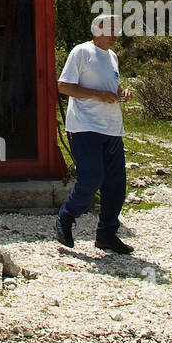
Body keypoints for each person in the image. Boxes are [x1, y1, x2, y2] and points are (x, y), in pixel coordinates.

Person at [55, 13, 133, 254]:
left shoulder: (112, 57)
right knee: (91, 179)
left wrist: (122, 93)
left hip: (112, 127)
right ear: (96, 30)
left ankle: (107, 235)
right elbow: (63, 86)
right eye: (110, 30)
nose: (115, 35)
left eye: (117, 30)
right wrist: (97, 95)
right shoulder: (81, 52)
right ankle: (66, 217)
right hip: (85, 126)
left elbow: (112, 86)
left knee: (116, 185)